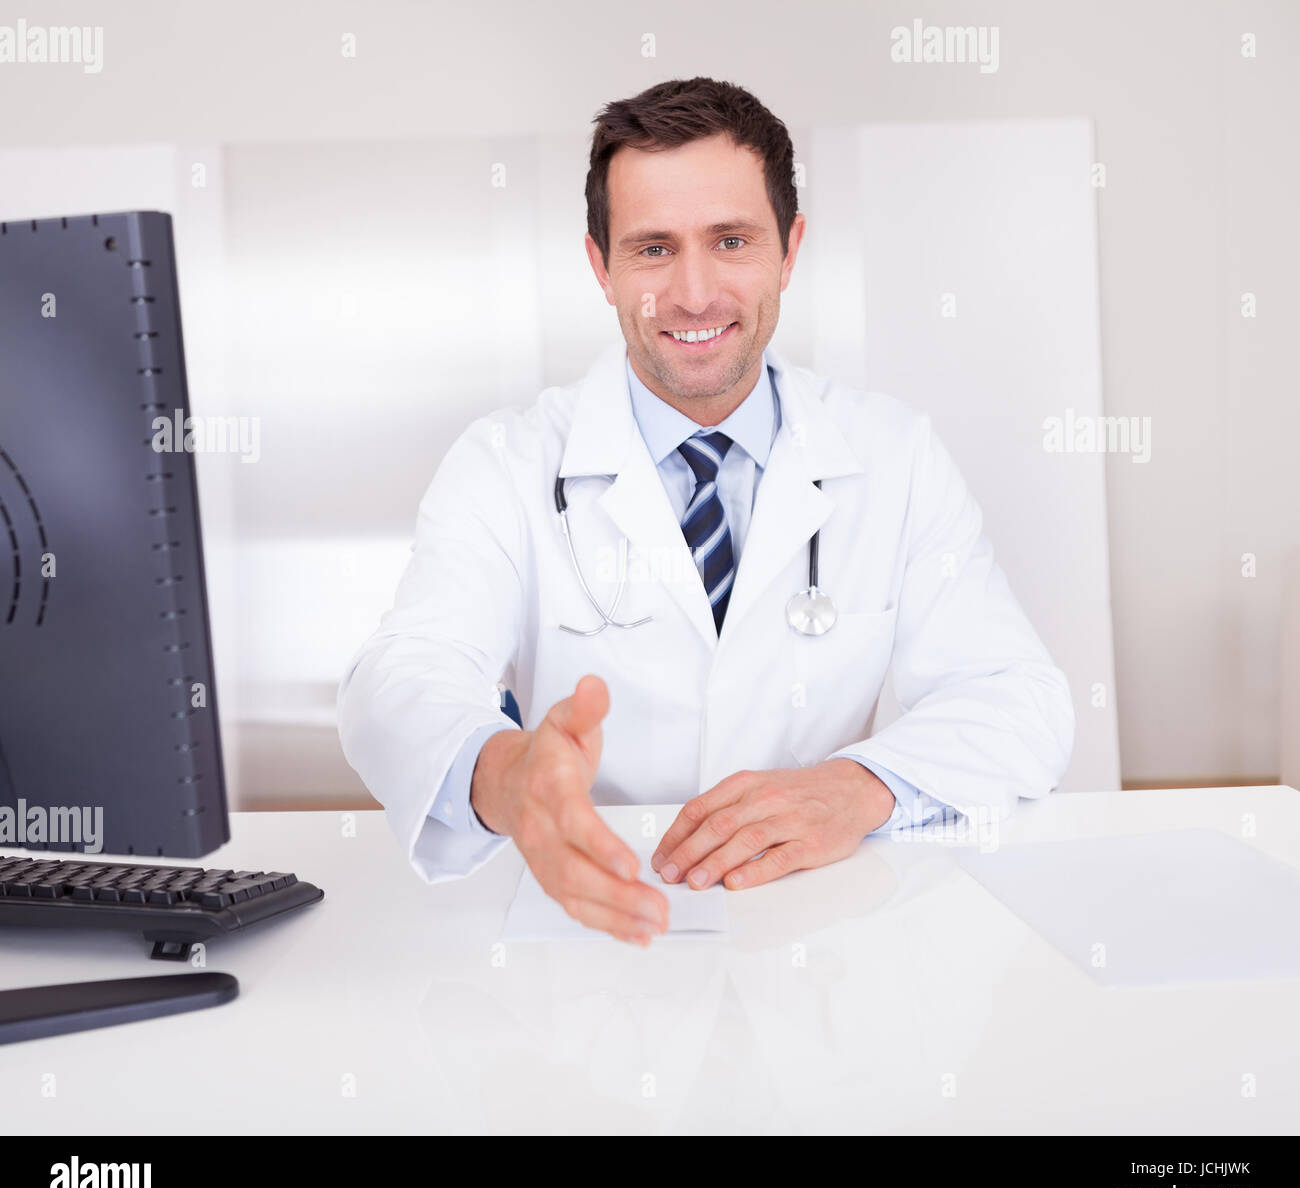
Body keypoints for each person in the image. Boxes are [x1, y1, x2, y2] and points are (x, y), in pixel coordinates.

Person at [338, 76, 1074, 946]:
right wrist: (508, 776)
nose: (693, 294)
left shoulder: (892, 455)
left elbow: (1018, 698)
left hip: (818, 940)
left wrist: (860, 787)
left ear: (790, 250)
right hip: (596, 940)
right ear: (600, 266)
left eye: (731, 240)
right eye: (652, 249)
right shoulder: (506, 464)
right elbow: (397, 682)